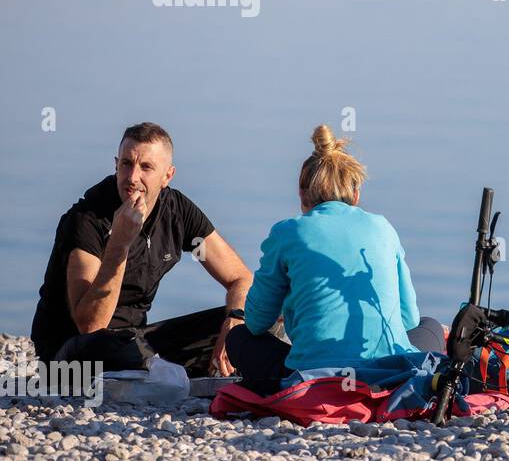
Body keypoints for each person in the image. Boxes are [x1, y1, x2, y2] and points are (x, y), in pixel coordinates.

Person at [224, 125, 444, 393]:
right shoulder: (383, 228)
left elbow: (256, 323)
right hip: (389, 372)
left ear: (301, 193)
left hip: (312, 375)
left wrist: (289, 308)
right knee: (430, 326)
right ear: (356, 194)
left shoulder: (287, 232)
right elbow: (409, 320)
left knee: (238, 338)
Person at [32, 122, 253, 378]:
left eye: (146, 167)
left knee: (262, 320)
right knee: (111, 346)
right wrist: (119, 245)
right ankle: (167, 372)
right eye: (126, 163)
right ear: (116, 164)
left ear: (167, 176)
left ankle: (166, 371)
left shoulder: (177, 211)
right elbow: (90, 325)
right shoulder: (88, 218)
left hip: (137, 342)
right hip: (74, 354)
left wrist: (236, 320)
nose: (132, 177)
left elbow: (240, 278)